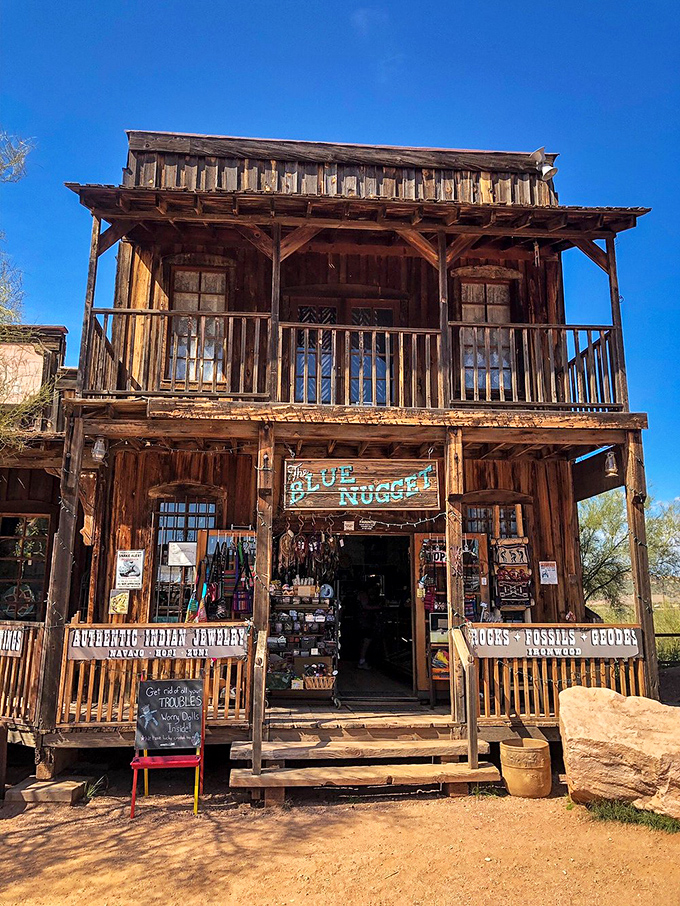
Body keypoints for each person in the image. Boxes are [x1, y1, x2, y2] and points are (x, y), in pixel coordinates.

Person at [357, 580, 383, 670]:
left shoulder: (364, 594)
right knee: (366, 640)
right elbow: (365, 606)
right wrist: (378, 607)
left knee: (365, 640)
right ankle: (362, 661)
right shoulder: (363, 594)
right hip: (365, 621)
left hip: (365, 620)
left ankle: (363, 660)